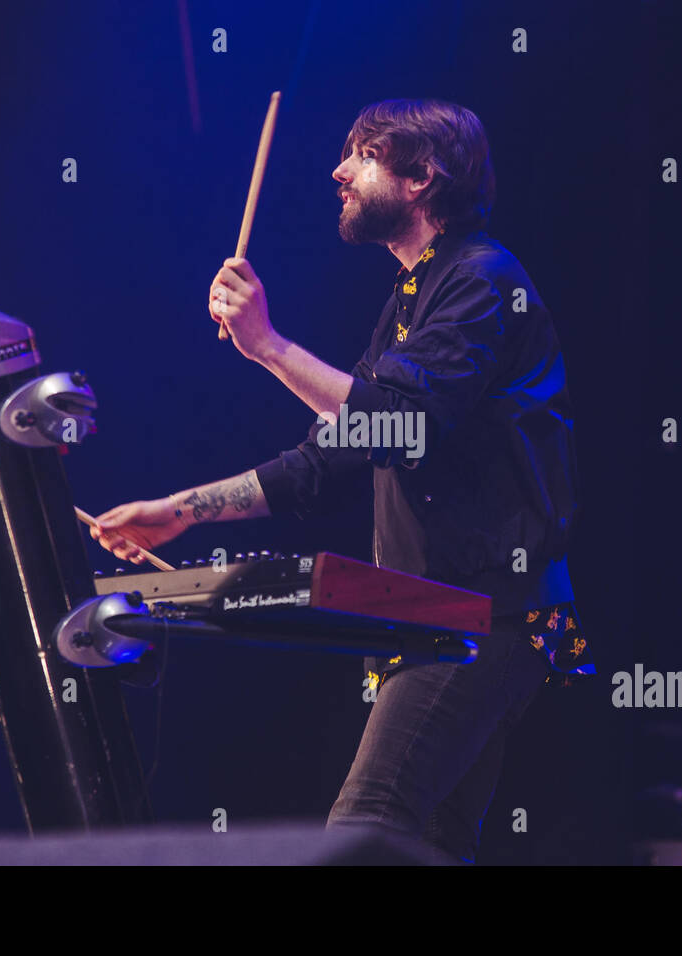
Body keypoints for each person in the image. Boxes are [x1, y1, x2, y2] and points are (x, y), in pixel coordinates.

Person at [91, 99, 590, 863]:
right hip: (449, 613)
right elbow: (334, 458)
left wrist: (266, 346)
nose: (338, 171)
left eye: (362, 153)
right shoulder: (413, 295)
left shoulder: (482, 280)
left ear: (422, 177)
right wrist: (180, 512)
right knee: (430, 844)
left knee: (365, 829)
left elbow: (399, 423)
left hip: (484, 617)